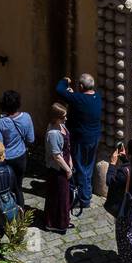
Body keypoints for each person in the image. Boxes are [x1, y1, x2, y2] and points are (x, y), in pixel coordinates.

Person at [56, 72, 103, 212]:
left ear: (81, 86)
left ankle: (83, 198)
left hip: (81, 139)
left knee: (80, 167)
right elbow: (80, 101)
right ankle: (87, 192)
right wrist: (74, 94)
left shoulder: (78, 99)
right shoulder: (97, 97)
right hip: (94, 137)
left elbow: (59, 89)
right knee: (88, 166)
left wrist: (66, 80)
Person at [0, 90, 35, 208]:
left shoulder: (0, 122)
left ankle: (7, 213)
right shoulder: (26, 117)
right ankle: (21, 214)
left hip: (6, 159)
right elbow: (31, 139)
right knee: (18, 187)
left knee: (5, 188)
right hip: (21, 157)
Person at [44, 104, 73, 233]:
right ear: (56, 118)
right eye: (63, 117)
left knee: (64, 195)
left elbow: (67, 147)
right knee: (58, 196)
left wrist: (70, 160)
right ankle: (54, 223)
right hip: (57, 168)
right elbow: (56, 155)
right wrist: (67, 169)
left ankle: (64, 219)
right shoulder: (53, 133)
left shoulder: (61, 126)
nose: (66, 119)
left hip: (65, 163)